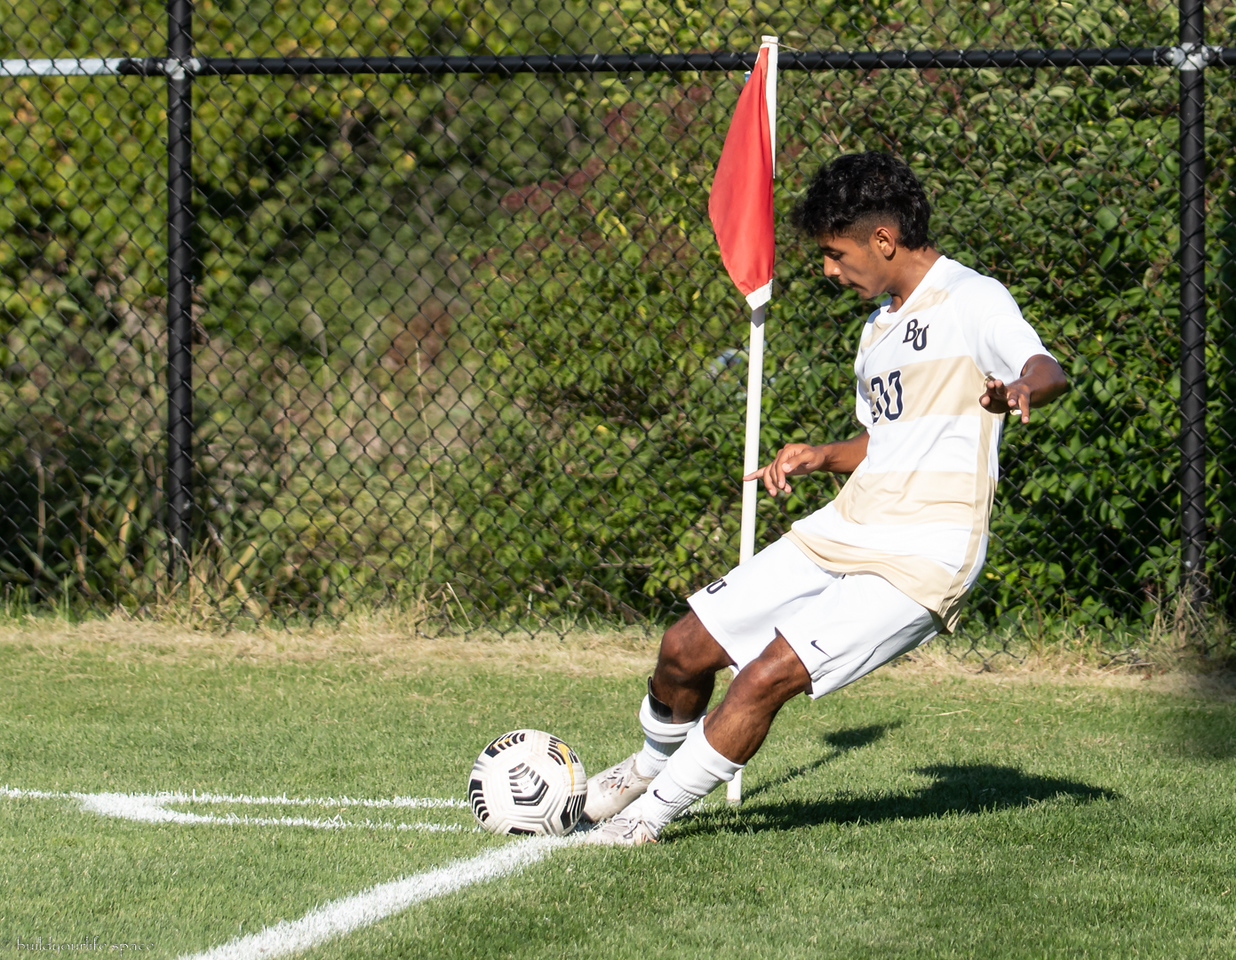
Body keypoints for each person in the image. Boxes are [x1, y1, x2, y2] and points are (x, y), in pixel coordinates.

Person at [581, 151, 1069, 846]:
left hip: (921, 555)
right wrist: (822, 457)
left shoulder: (974, 299)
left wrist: (1025, 389)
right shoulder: (876, 332)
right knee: (684, 647)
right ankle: (645, 767)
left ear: (883, 239)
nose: (829, 270)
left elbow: (1044, 367)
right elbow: (886, 444)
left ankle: (644, 820)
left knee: (764, 676)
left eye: (836, 254)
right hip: (847, 525)